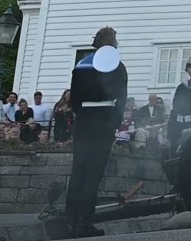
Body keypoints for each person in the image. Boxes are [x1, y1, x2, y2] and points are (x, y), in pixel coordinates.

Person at [64, 26, 128, 238]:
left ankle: (70, 221)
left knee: (78, 171)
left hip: (84, 122)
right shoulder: (117, 66)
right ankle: (84, 222)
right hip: (104, 123)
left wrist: (82, 114)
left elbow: (74, 98)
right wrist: (114, 122)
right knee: (94, 173)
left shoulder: (81, 65)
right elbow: (121, 97)